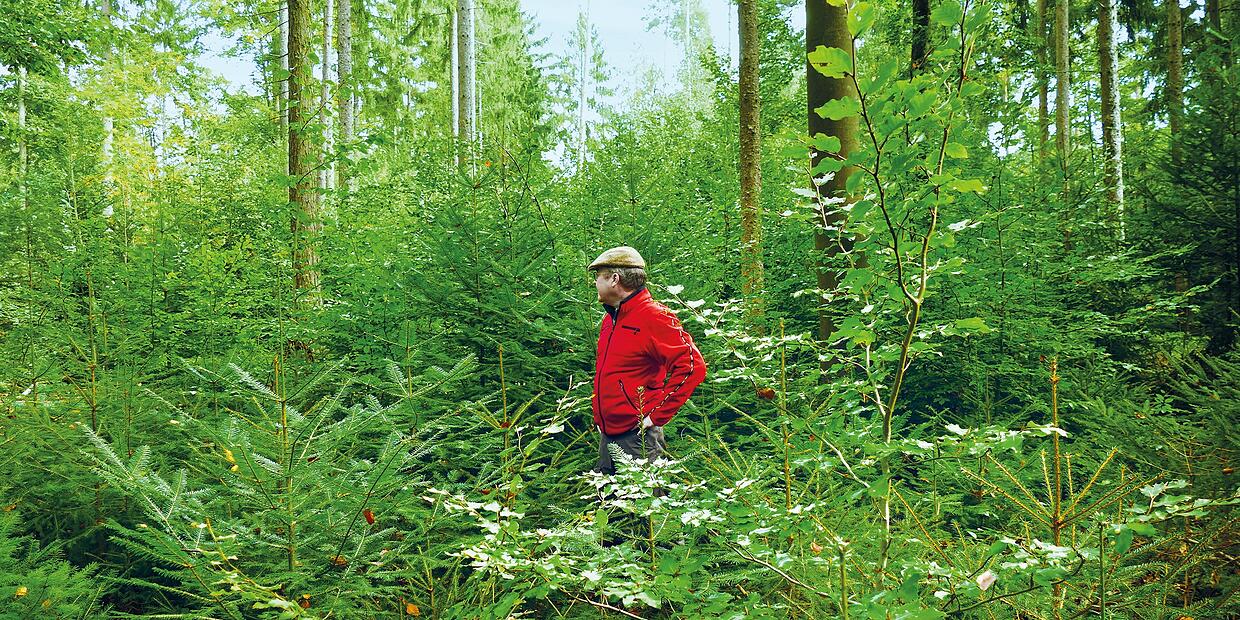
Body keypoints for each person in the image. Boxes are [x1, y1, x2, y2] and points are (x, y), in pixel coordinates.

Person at [588, 246, 706, 475]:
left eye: (598, 277)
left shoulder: (655, 316)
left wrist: (657, 415)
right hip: (608, 434)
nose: (595, 283)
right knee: (610, 509)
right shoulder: (610, 319)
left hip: (638, 437)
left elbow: (693, 366)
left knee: (645, 508)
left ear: (615, 279)